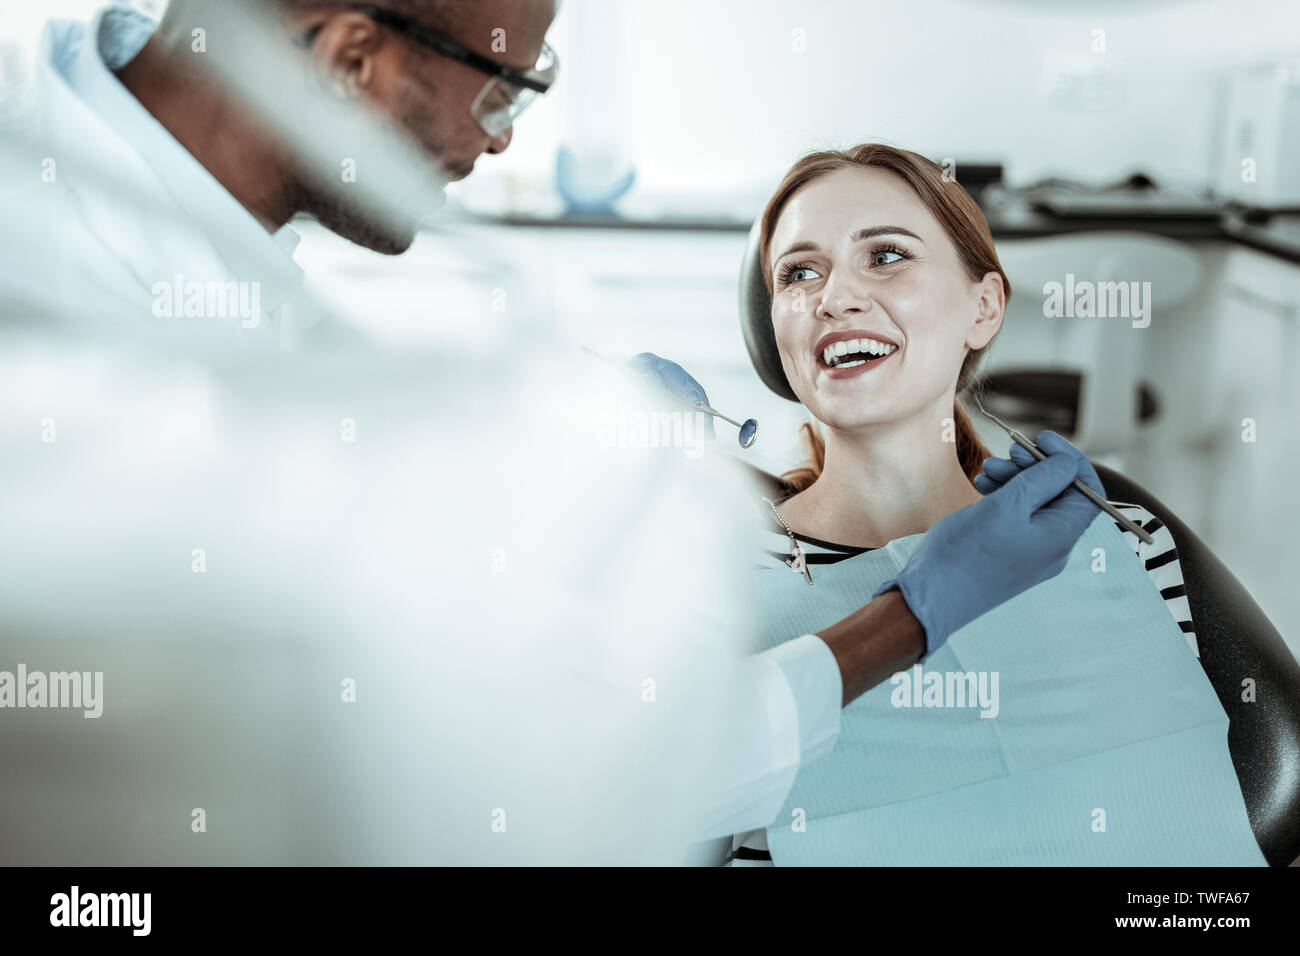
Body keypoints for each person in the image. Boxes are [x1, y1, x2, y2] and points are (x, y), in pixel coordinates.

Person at [0, 2, 1110, 856]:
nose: (492, 149)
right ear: (347, 60)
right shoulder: (86, 381)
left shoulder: (105, 142)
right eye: (500, 97)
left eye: (889, 256)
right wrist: (910, 617)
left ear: (985, 303)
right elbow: (548, 789)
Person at [722, 142, 1262, 865]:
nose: (834, 297)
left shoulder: (1118, 543)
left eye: (885, 255)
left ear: (984, 307)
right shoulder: (716, 578)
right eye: (798, 272)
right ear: (776, 335)